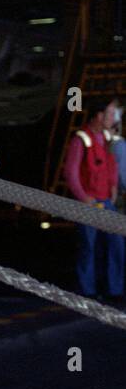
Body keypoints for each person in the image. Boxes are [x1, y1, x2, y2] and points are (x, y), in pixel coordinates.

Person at [64, 96, 123, 303]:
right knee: (89, 246)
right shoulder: (81, 139)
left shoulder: (106, 138)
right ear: (99, 116)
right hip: (89, 203)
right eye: (110, 114)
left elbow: (112, 164)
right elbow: (71, 172)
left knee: (115, 245)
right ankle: (87, 291)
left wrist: (114, 186)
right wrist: (83, 198)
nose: (113, 118)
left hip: (106, 200)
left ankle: (114, 289)